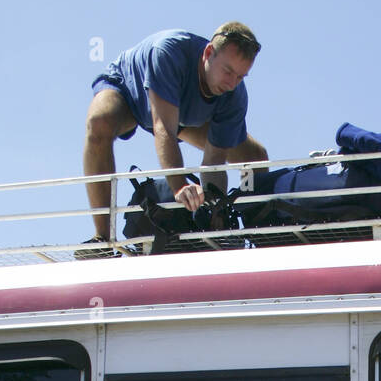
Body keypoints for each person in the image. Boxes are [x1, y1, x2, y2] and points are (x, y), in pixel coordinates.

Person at [81, 23, 268, 255]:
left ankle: (260, 234)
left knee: (254, 156)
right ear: (208, 53)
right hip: (133, 95)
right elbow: (163, 130)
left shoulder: (234, 96)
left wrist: (215, 211)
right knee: (99, 122)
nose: (232, 84)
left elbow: (213, 162)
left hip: (181, 117)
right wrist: (179, 186)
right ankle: (102, 240)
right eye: (228, 71)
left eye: (240, 76)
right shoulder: (169, 53)